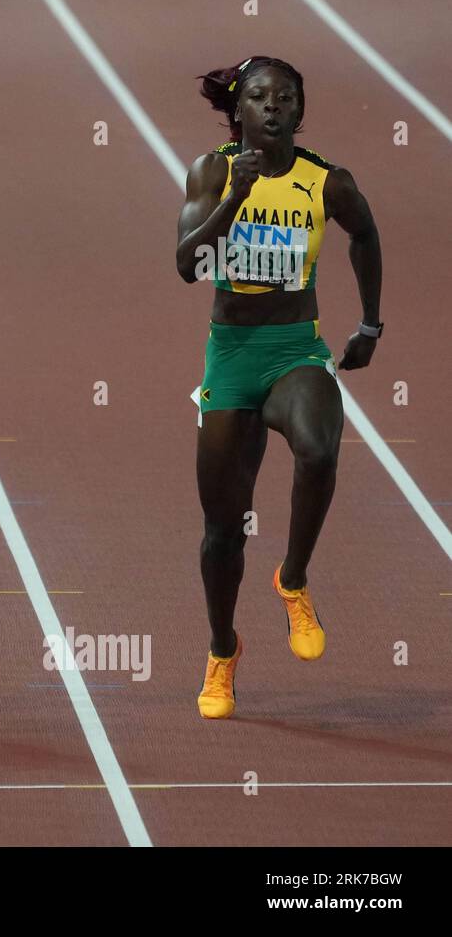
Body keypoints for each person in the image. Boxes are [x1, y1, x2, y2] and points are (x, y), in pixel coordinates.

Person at [176, 56, 381, 718]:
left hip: (295, 348)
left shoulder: (327, 184)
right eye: (259, 97)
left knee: (320, 448)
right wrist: (233, 200)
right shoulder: (212, 171)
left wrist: (371, 325)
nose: (272, 107)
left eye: (284, 97)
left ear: (299, 112)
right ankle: (221, 649)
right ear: (238, 111)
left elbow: (366, 234)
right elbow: (187, 265)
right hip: (232, 356)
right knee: (221, 531)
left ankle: (292, 578)